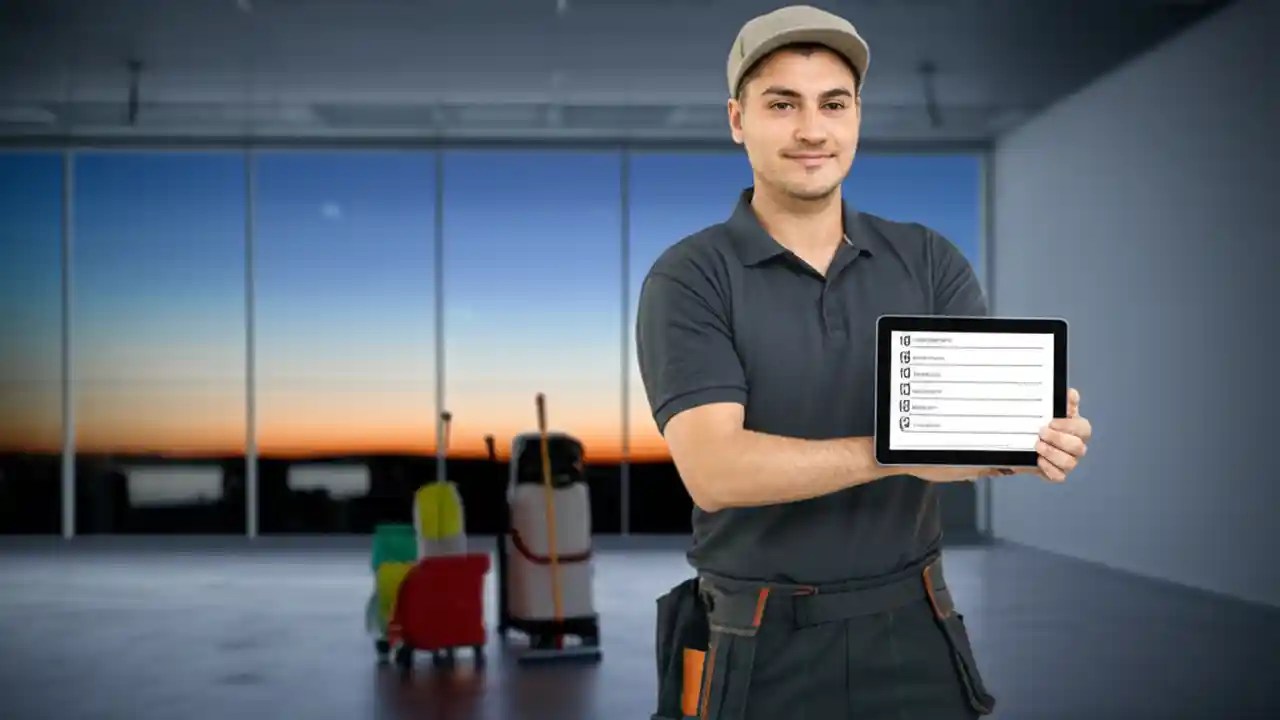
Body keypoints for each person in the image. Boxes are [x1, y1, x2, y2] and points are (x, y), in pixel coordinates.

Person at [635, 5, 1093, 719]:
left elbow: (962, 438)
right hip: (757, 642)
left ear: (856, 118)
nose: (812, 130)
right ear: (737, 120)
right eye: (782, 104)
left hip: (915, 627)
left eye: (833, 104)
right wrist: (894, 449)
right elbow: (716, 471)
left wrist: (1023, 445)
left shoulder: (929, 259)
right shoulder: (691, 276)